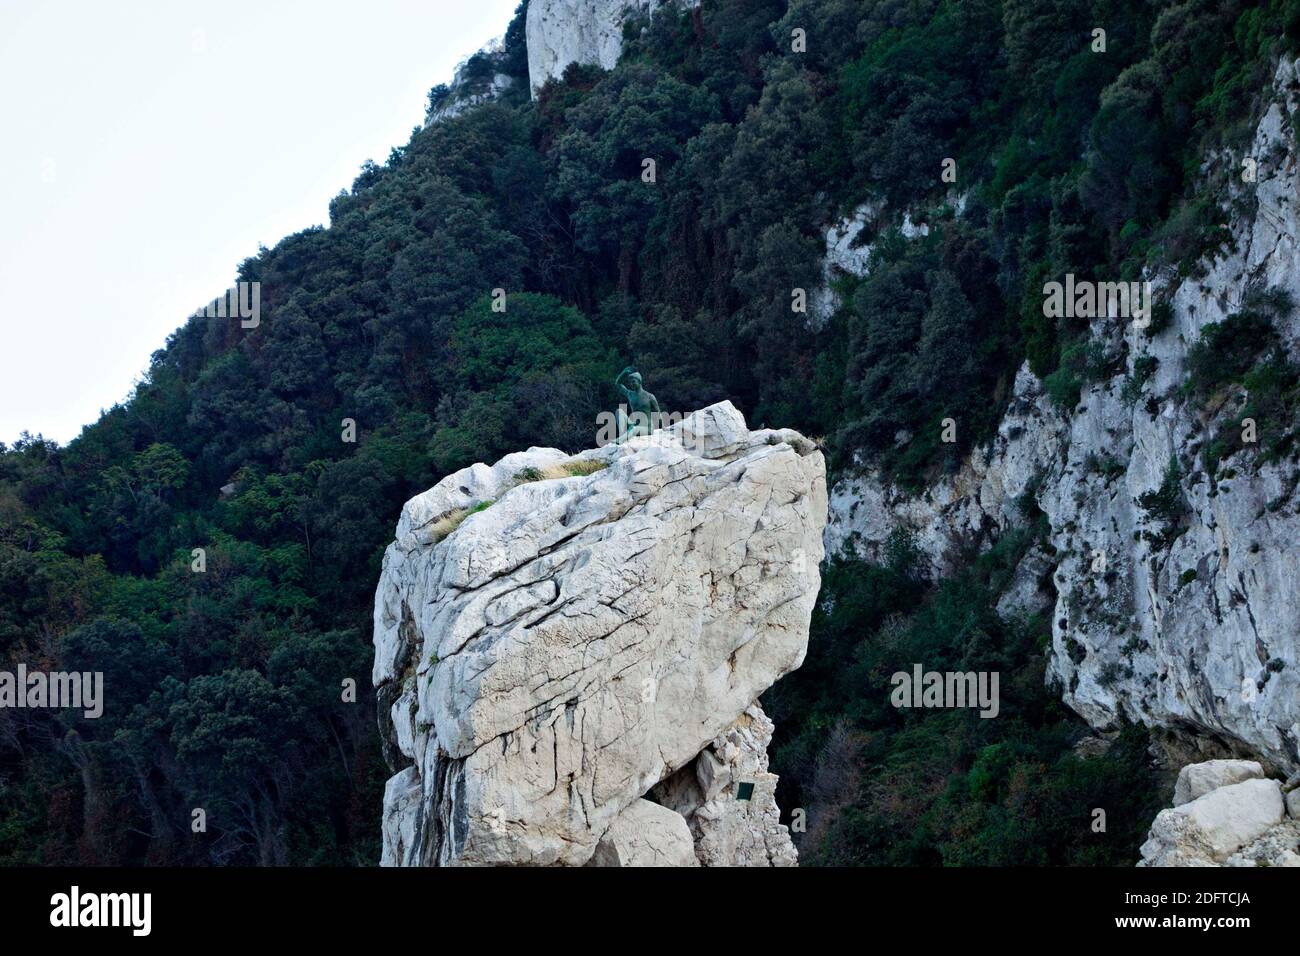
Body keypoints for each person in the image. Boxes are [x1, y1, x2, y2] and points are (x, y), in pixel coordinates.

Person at [613, 366, 660, 441]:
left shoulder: (649, 396)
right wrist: (623, 373)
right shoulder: (630, 394)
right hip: (634, 424)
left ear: (639, 381)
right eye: (630, 382)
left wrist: (663, 427)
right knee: (619, 411)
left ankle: (621, 439)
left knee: (634, 429)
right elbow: (617, 384)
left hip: (647, 428)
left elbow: (658, 412)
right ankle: (623, 435)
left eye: (633, 381)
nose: (631, 384)